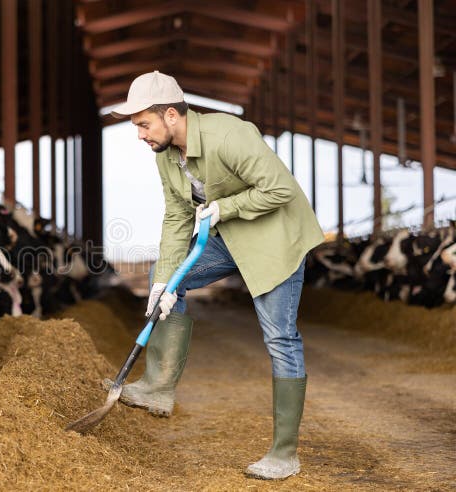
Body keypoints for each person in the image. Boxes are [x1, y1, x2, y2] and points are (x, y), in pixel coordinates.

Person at [103, 71, 324, 480]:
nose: (139, 135)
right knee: (165, 275)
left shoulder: (229, 135)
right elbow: (176, 216)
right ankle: (158, 387)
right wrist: (161, 283)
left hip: (275, 237)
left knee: (280, 337)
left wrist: (227, 207)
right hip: (229, 238)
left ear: (171, 115)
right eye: (135, 126)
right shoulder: (165, 156)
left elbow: (281, 190)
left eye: (143, 124)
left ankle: (284, 454)